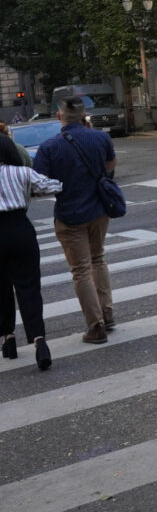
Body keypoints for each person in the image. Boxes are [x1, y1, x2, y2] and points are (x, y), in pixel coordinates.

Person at [31, 95, 117, 344]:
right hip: (99, 210)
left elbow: (39, 184)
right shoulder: (101, 137)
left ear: (59, 116)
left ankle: (95, 326)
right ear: (84, 115)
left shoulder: (49, 147)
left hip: (70, 214)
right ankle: (107, 314)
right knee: (98, 258)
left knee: (80, 270)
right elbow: (111, 166)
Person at [0, 132, 60, 370]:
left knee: (1, 288)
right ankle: (39, 341)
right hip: (20, 229)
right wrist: (31, 192)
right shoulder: (23, 173)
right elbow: (53, 186)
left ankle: (8, 338)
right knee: (29, 287)